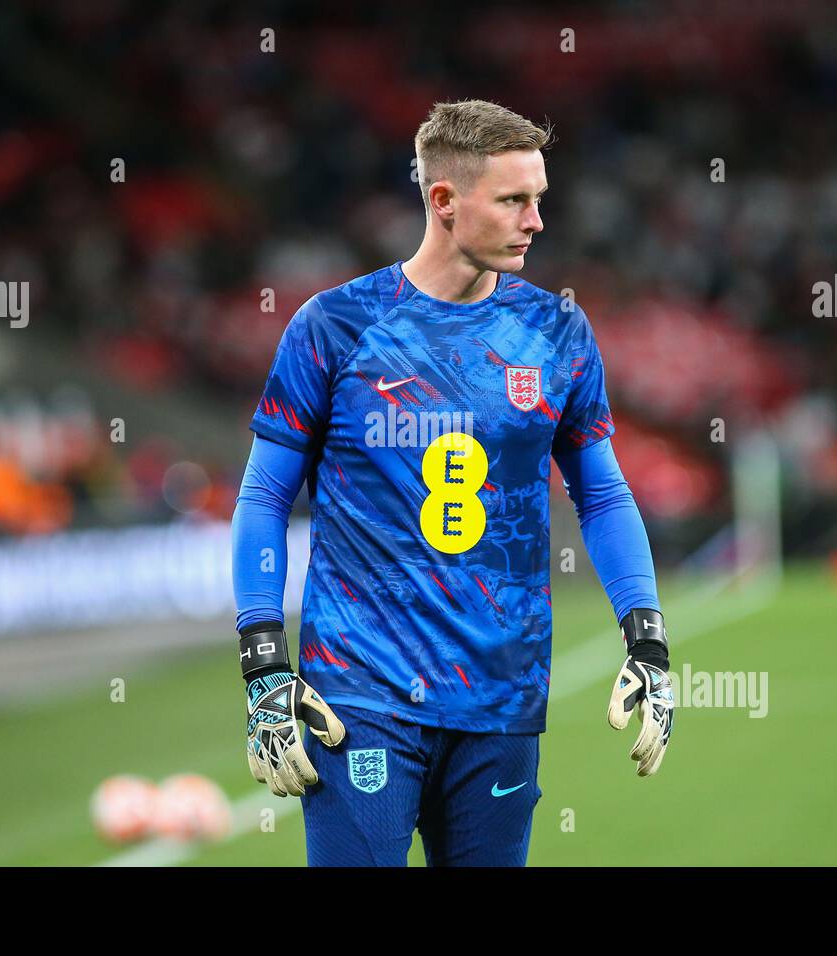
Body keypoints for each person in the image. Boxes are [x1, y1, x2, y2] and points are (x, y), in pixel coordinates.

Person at [231, 99, 673, 867]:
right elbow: (264, 498)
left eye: (539, 198)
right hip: (360, 694)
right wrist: (263, 661)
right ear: (443, 201)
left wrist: (649, 638)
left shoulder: (558, 332)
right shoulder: (335, 327)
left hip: (502, 697)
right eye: (513, 200)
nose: (536, 220)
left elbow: (601, 495)